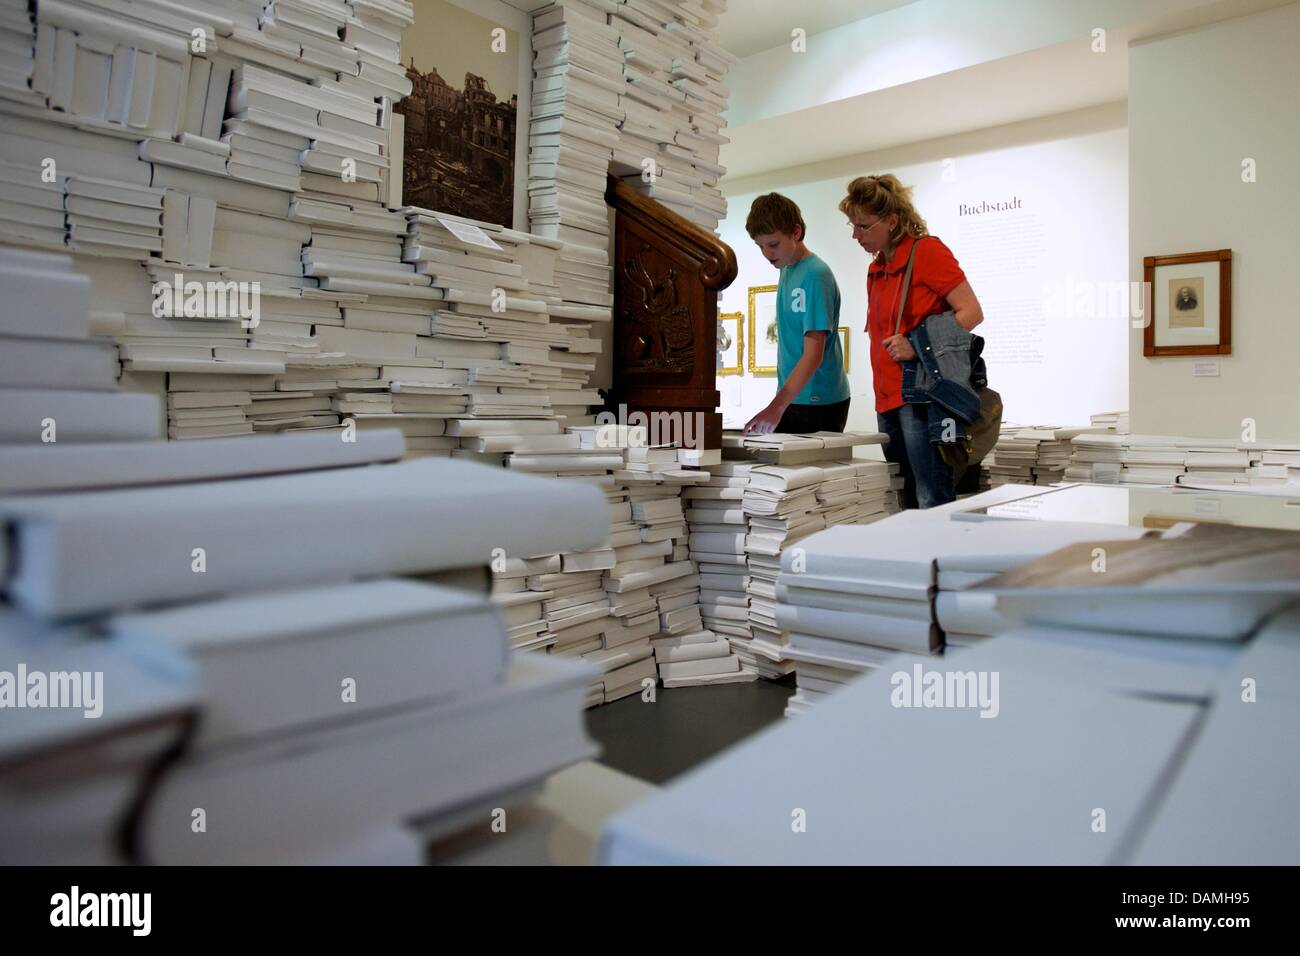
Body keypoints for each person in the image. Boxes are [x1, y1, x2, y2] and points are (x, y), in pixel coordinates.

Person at [839, 174, 985, 509]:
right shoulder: (877, 269)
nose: (855, 235)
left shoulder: (927, 252)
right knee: (903, 499)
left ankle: (939, 561)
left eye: (863, 226)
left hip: (923, 394)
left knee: (931, 497)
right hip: (886, 398)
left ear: (892, 221)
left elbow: (972, 312)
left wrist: (917, 344)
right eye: (853, 225)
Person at [742, 193, 851, 435]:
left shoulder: (815, 275)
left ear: (796, 232)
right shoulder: (787, 269)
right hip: (796, 397)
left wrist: (776, 406)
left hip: (819, 399)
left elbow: (813, 354)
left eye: (773, 244)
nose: (767, 253)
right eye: (760, 247)